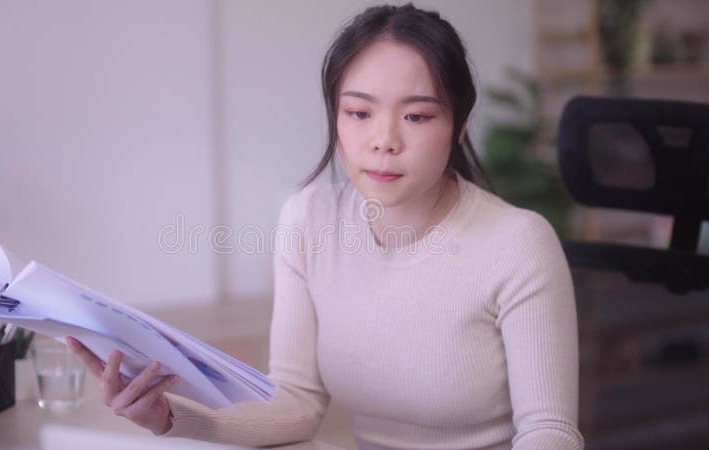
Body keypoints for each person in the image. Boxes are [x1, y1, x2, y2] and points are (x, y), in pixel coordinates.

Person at [68, 3, 584, 449]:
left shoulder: (517, 243)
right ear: (335, 118)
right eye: (359, 113)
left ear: (459, 126)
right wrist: (170, 417)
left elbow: (549, 430)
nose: (383, 140)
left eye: (418, 117)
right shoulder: (307, 218)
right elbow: (296, 402)